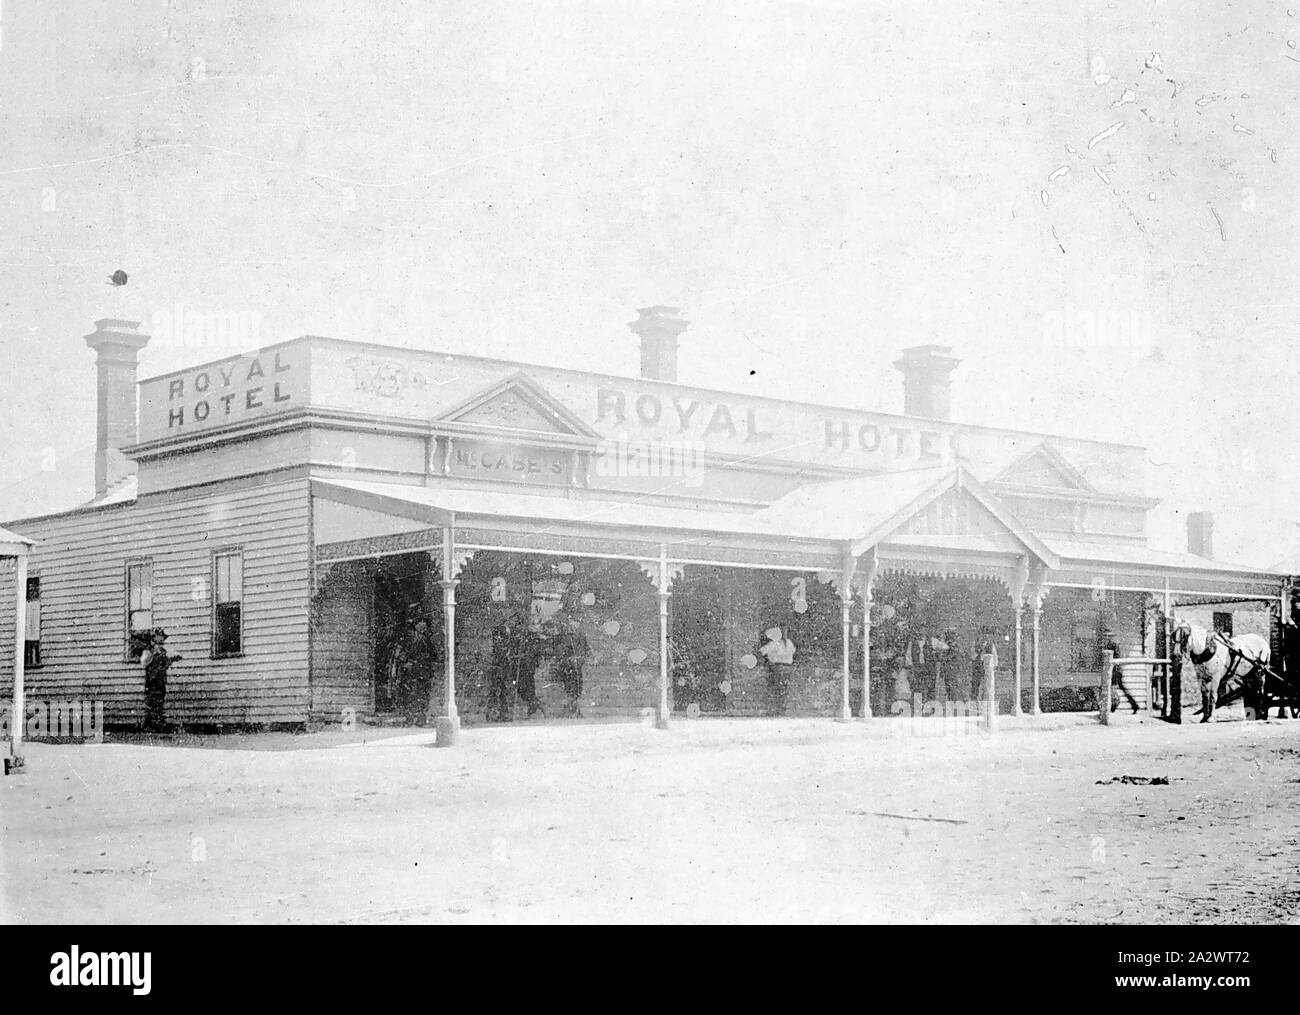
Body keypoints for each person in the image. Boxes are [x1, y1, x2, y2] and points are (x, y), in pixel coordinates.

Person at [140, 628, 181, 732]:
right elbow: (144, 662)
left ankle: (158, 724)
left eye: (162, 638)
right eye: (159, 637)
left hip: (160, 681)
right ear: (154, 638)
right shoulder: (148, 651)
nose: (161, 640)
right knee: (152, 703)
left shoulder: (164, 652)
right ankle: (149, 725)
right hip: (152, 681)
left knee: (159, 702)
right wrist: (153, 655)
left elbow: (165, 665)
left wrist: (171, 660)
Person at [552, 615, 590, 718]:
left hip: (577, 667)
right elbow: (562, 651)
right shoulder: (566, 637)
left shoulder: (582, 637)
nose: (575, 624)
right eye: (573, 622)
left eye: (577, 622)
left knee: (576, 691)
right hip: (569, 668)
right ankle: (571, 711)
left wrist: (582, 658)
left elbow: (587, 650)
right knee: (571, 691)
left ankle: (571, 711)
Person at [759, 626, 796, 716]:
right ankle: (775, 708)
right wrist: (768, 661)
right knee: (776, 689)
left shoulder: (789, 643)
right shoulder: (774, 644)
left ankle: (781, 708)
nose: (784, 634)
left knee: (784, 689)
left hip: (787, 668)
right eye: (782, 632)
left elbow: (793, 653)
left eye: (785, 631)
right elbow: (762, 652)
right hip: (777, 668)